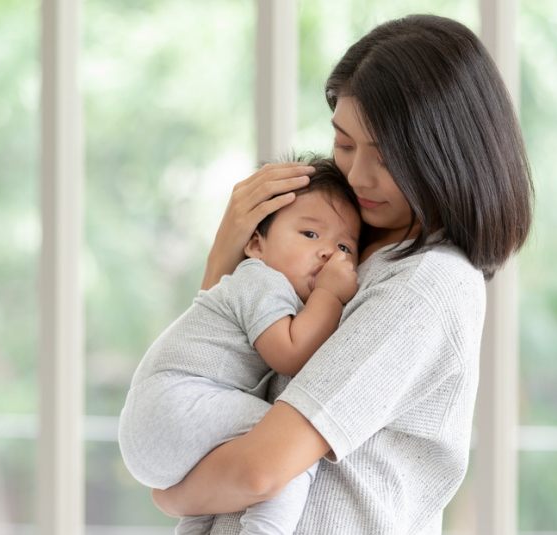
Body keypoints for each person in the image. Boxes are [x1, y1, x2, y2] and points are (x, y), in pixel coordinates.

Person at [147, 14, 533, 534]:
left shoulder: (424, 286)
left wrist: (174, 495)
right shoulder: (349, 250)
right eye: (345, 144)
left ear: (448, 156)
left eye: (387, 157)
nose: (357, 175)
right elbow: (218, 375)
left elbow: (259, 469)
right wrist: (226, 260)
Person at [118, 157, 362, 535]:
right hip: (177, 402)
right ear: (255, 245)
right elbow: (291, 354)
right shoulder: (259, 281)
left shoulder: (276, 292)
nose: (329, 252)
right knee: (290, 454)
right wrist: (330, 294)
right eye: (310, 235)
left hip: (161, 421)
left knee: (218, 481)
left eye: (345, 246)